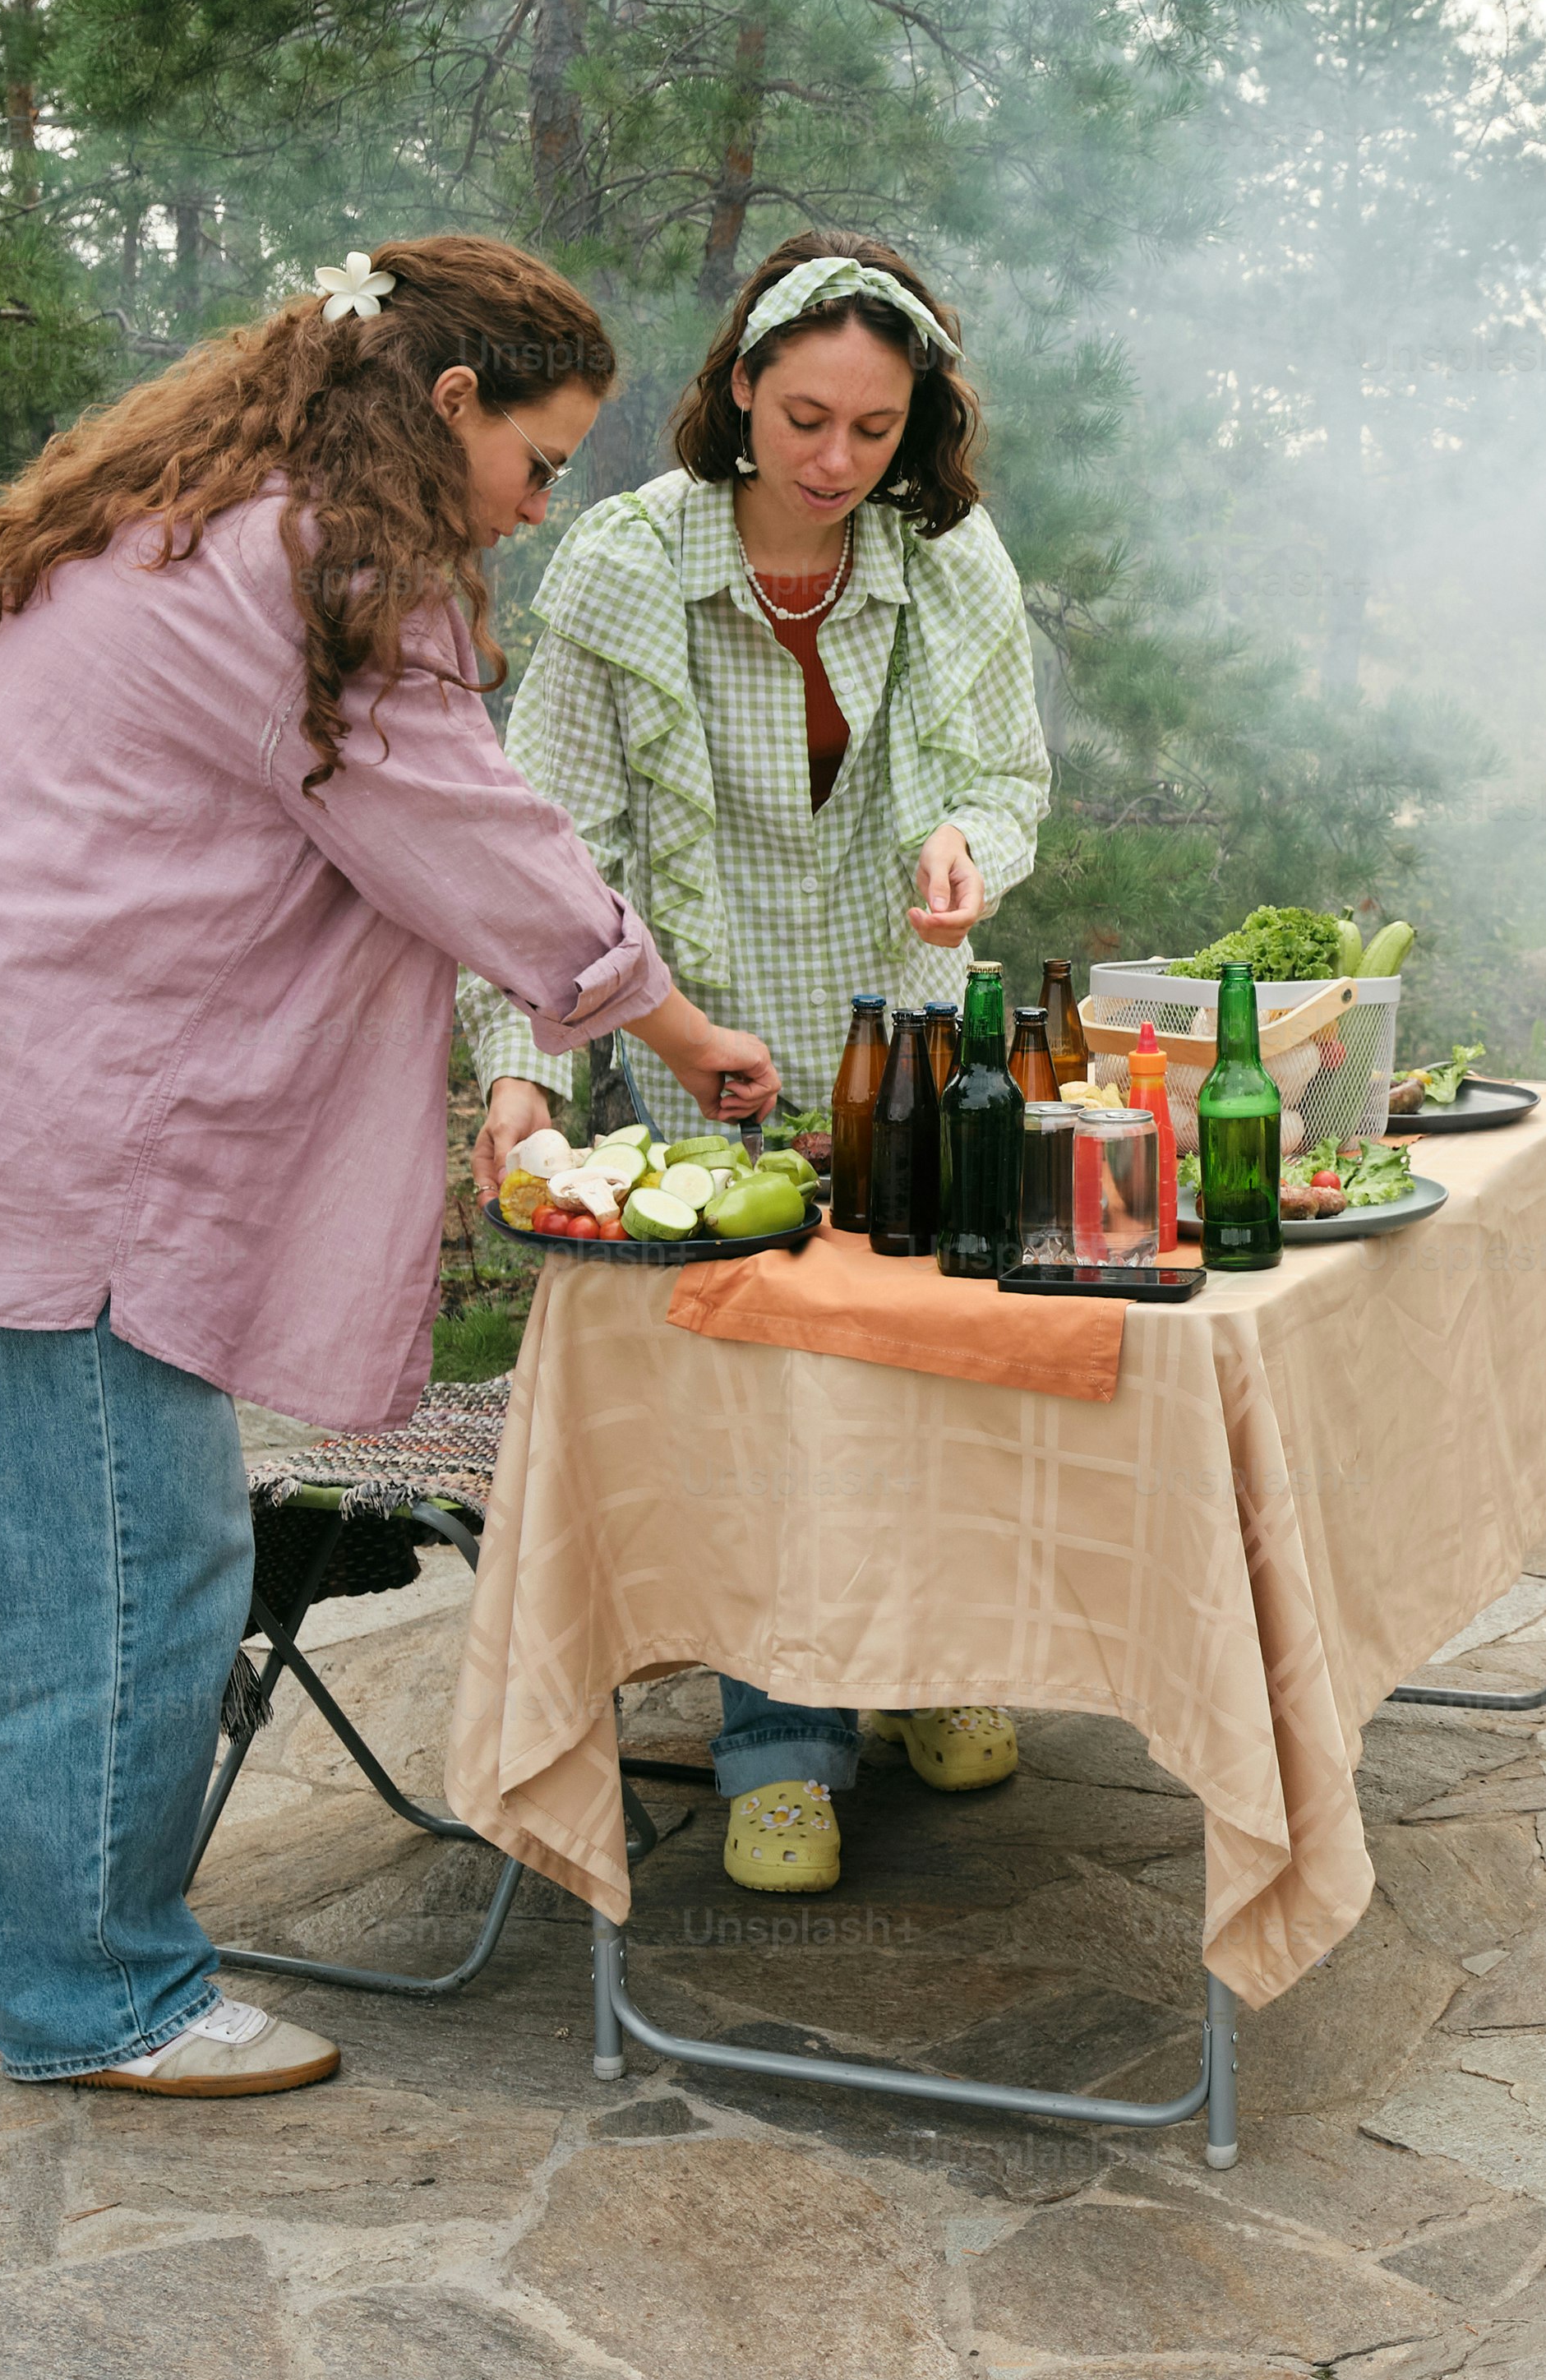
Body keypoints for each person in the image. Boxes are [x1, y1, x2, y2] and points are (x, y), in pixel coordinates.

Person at [0, 236, 782, 2099]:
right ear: (447, 403)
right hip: (32, 1097)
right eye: (541, 460)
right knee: (134, 1550)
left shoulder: (181, 501)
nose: (544, 508)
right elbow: (476, 837)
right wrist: (679, 1030)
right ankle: (101, 1991)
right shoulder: (338, 569)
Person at [464, 228, 1050, 1897]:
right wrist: (527, 1064)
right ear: (735, 384)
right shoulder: (621, 568)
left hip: (904, 1034)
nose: (836, 461)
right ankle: (781, 1739)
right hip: (691, 1052)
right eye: (805, 418)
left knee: (922, 1365)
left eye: (874, 431)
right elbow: (542, 849)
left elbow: (1009, 777)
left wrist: (968, 846)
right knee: (762, 1404)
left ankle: (932, 1656)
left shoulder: (951, 557)